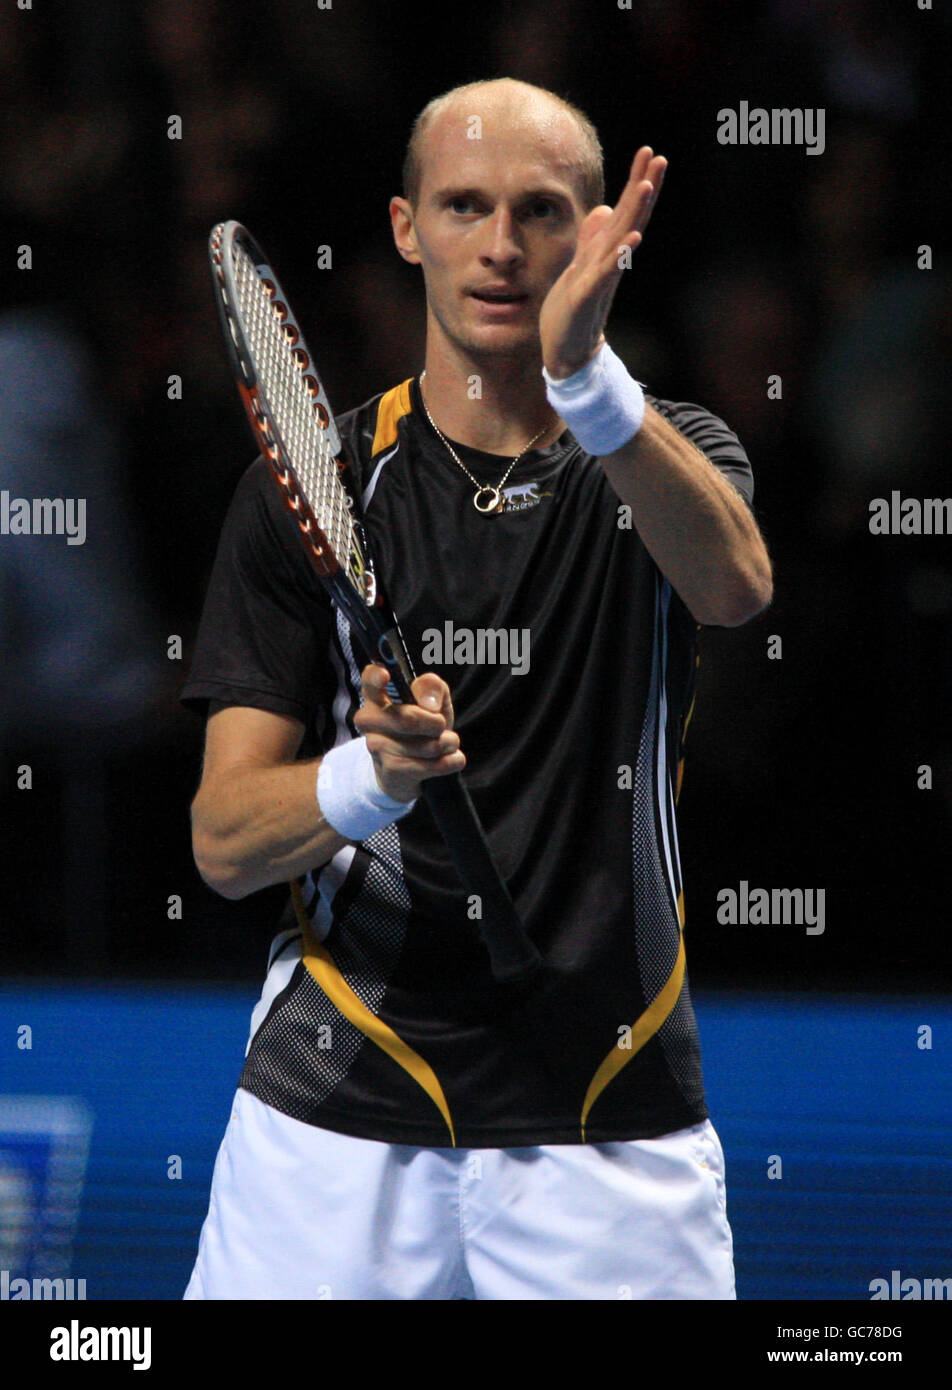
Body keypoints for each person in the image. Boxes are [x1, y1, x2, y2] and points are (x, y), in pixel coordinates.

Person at [181, 77, 772, 1301]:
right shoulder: (313, 486)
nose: (502, 247)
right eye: (463, 206)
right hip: (335, 1114)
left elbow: (733, 587)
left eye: (543, 212)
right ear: (406, 228)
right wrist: (366, 777)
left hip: (610, 1104)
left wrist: (585, 377)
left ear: (601, 232)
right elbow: (227, 843)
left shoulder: (674, 454)